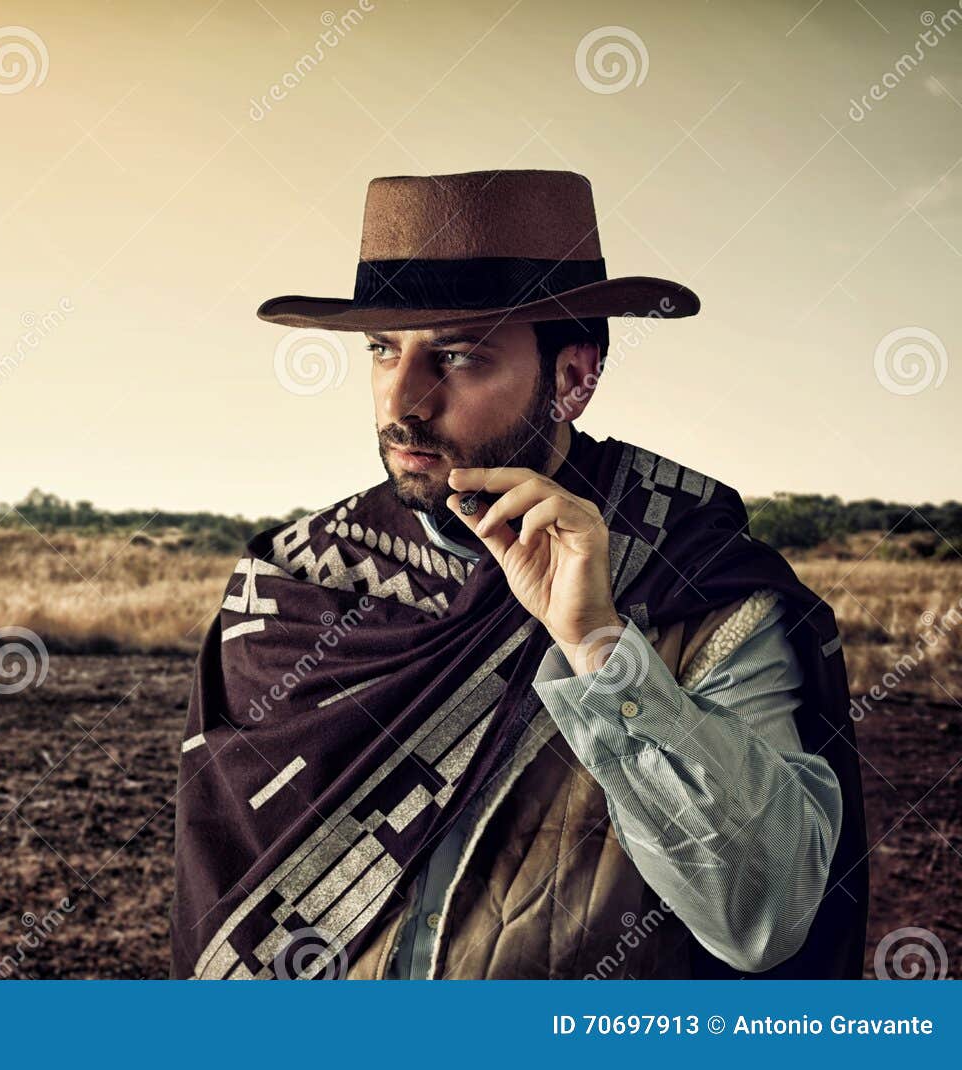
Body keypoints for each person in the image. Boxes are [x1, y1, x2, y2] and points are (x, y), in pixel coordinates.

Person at [170, 170, 868, 979]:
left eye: (460, 356)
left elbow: (767, 915)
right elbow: (220, 900)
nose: (404, 400)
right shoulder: (292, 584)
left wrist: (601, 646)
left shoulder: (703, 585)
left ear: (573, 378)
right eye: (382, 350)